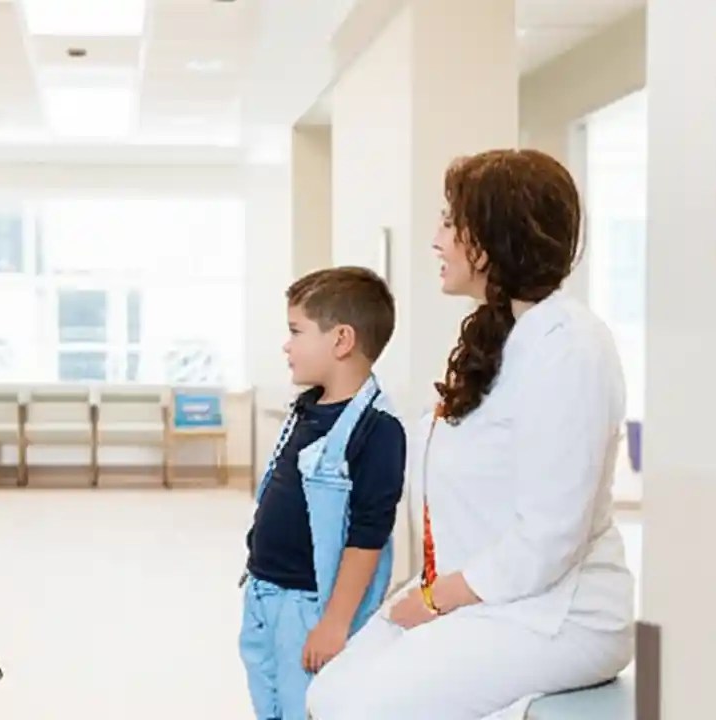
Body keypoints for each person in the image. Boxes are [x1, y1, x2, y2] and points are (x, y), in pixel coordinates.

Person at [306, 149, 635, 719]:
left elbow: (550, 535)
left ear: (495, 237)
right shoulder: (507, 334)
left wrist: (436, 599)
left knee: (356, 709)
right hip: (489, 595)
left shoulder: (569, 346)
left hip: (560, 614)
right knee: (327, 694)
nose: (436, 239)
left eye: (450, 222)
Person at [239, 267, 407, 720]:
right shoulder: (307, 409)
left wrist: (334, 623)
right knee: (270, 705)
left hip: (310, 608)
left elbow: (368, 535)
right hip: (264, 593)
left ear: (341, 340)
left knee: (305, 708)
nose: (286, 345)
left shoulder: (378, 429)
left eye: (296, 332)